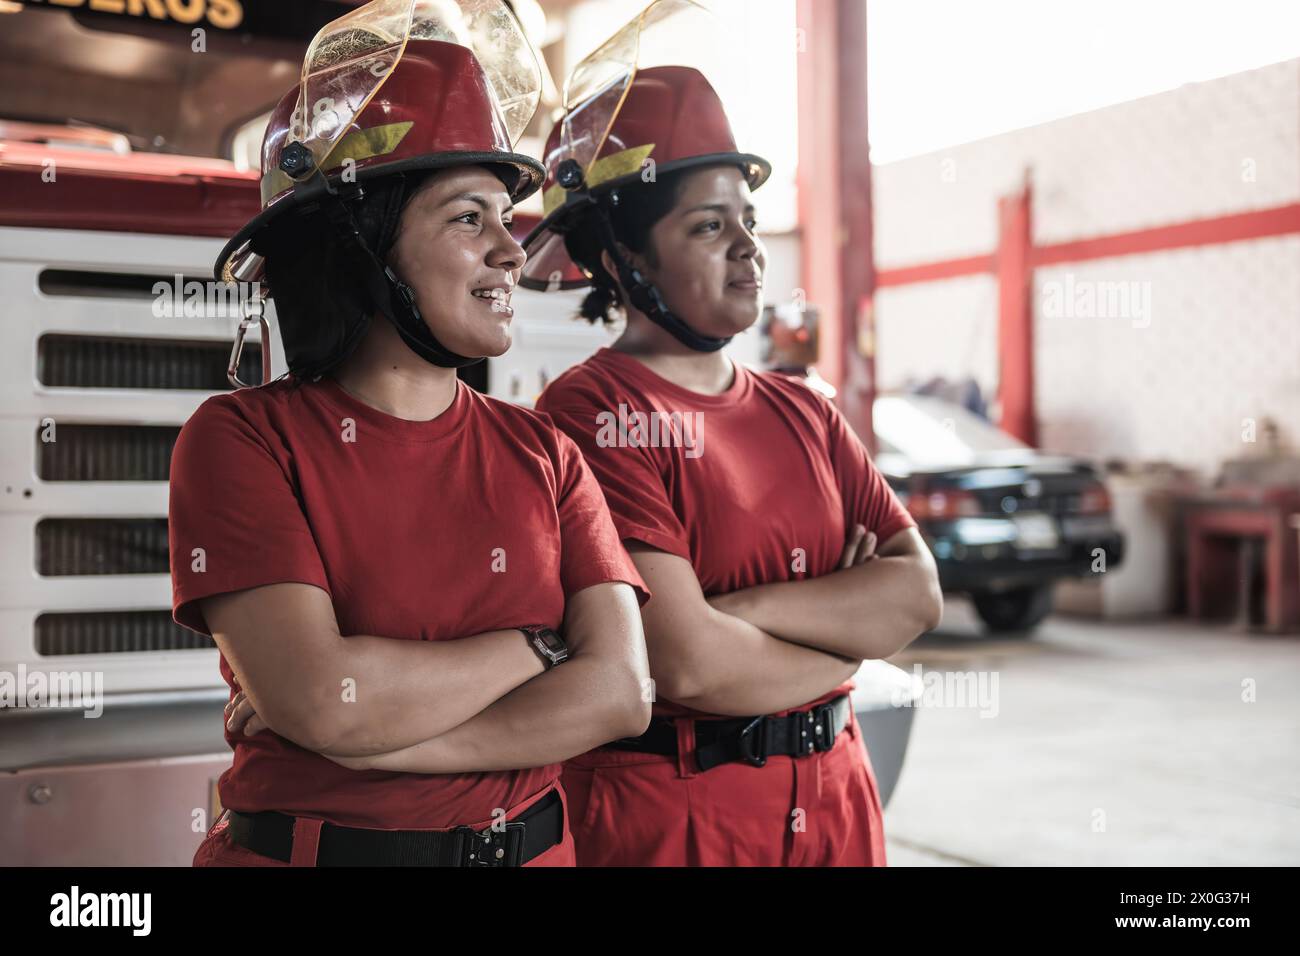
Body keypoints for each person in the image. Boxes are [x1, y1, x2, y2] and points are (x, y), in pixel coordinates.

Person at [172, 0, 650, 868]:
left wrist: (390, 745)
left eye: (506, 216)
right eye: (469, 218)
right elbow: (324, 702)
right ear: (361, 245)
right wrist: (540, 646)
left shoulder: (546, 453)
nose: (512, 250)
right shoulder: (241, 441)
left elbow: (621, 693)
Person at [522, 4, 943, 866]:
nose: (748, 248)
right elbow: (686, 666)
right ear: (622, 261)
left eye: (746, 219)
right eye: (709, 226)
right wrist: (844, 633)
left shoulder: (806, 410)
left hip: (837, 798)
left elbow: (916, 597)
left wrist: (740, 614)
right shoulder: (592, 414)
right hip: (678, 816)